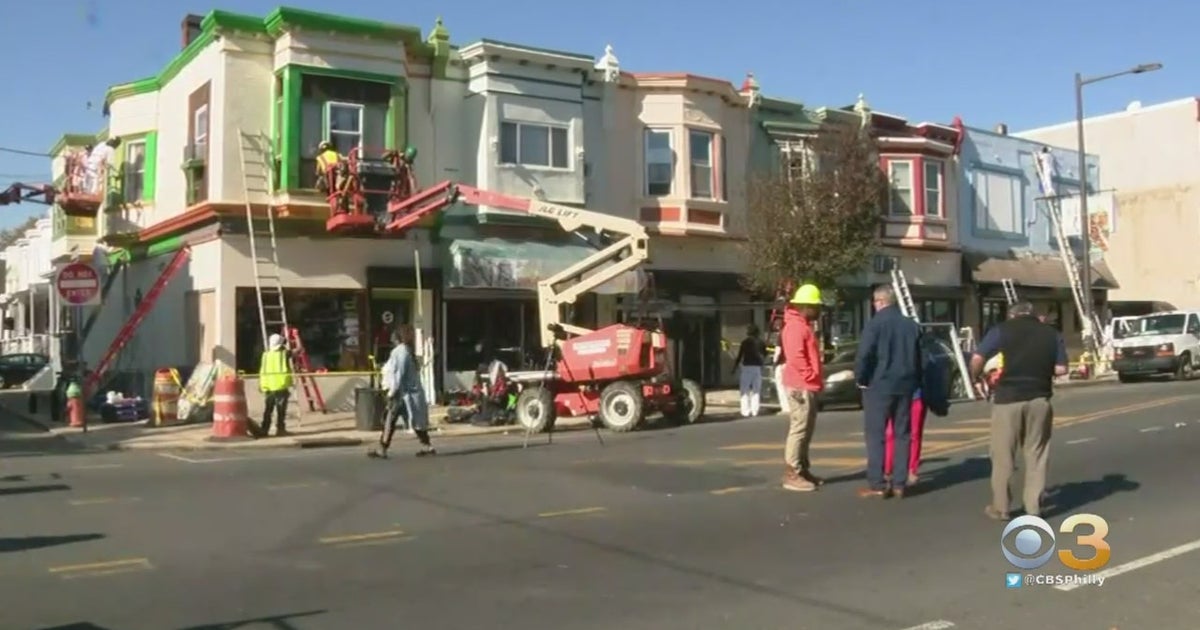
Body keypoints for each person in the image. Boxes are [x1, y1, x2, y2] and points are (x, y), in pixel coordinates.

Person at [969, 301, 1068, 520]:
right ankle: (1033, 507)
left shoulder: (1001, 331)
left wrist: (976, 378)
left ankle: (1001, 507)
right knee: (1037, 453)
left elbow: (977, 358)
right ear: (1034, 315)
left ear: (1012, 315)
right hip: (1039, 398)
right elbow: (1062, 368)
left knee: (1003, 454)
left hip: (1008, 399)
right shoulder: (1051, 334)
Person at [853, 285, 923, 499]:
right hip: (905, 384)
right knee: (903, 434)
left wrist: (861, 379)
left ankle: (878, 483)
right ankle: (899, 483)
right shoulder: (911, 325)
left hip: (879, 384)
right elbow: (920, 357)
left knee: (876, 434)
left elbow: (864, 354)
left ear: (880, 302)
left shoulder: (875, 324)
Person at [883, 335, 951, 487]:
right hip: (898, 396)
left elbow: (933, 375)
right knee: (893, 433)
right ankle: (889, 470)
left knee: (910, 434)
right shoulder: (892, 351)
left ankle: (911, 469)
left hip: (914, 396)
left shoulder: (922, 352)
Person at [779, 284, 826, 492]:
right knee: (799, 429)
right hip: (800, 385)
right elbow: (797, 357)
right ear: (805, 306)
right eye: (816, 306)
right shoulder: (796, 327)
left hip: (807, 384)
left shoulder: (803, 325)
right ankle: (792, 472)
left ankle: (802, 469)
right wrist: (810, 375)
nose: (819, 311)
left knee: (806, 429)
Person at [370, 324, 436, 458]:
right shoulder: (407, 351)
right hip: (410, 395)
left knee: (390, 420)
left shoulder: (399, 352)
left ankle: (383, 449)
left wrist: (391, 392)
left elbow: (398, 374)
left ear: (398, 337)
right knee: (414, 422)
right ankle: (427, 446)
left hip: (403, 394)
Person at [258, 333, 292, 437]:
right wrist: (296, 336)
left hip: (268, 386)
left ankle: (264, 430)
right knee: (281, 410)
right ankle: (280, 430)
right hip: (280, 386)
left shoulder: (265, 355)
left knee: (268, 410)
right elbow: (300, 350)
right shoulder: (283, 354)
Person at [732, 324, 767, 417]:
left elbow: (740, 356)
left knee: (744, 389)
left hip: (747, 367)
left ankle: (745, 411)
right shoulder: (761, 342)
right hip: (757, 368)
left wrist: (734, 368)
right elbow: (765, 354)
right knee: (756, 390)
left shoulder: (745, 342)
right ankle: (755, 410)